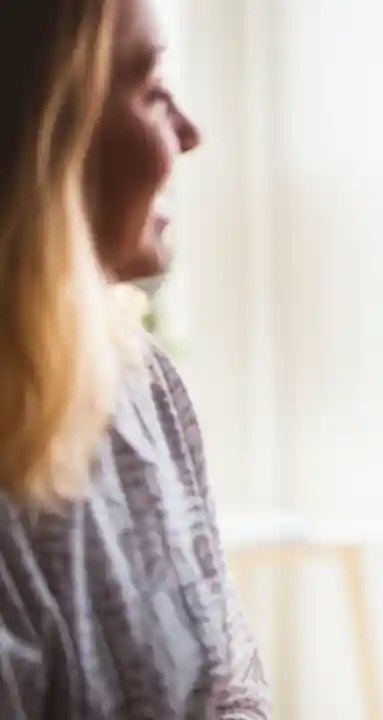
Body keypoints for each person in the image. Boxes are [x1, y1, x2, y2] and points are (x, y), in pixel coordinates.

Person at [0, 0, 270, 716]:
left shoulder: (142, 383)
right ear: (39, 126)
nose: (189, 133)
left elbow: (227, 697)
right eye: (150, 91)